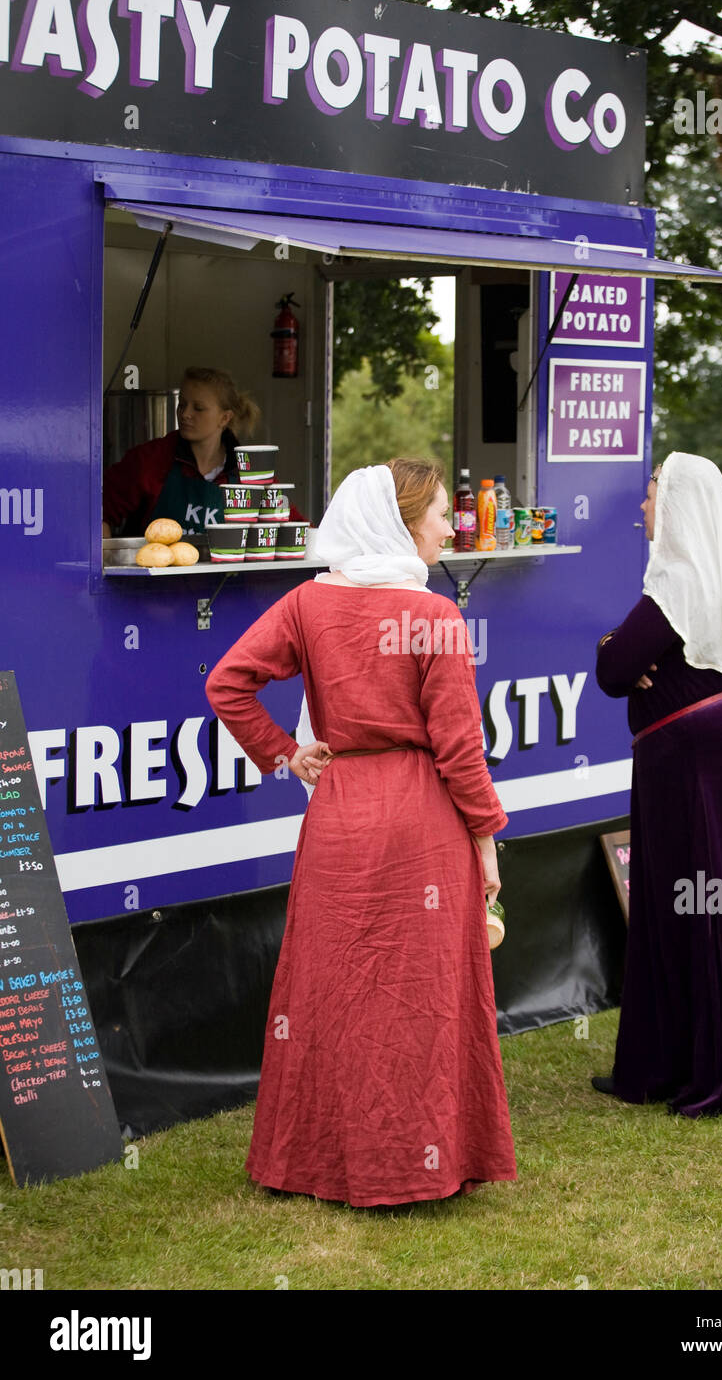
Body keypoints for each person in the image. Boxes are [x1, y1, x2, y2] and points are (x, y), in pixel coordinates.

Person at [205, 459, 517, 1206]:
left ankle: (317, 1162)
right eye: (442, 514)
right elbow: (458, 745)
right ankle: (421, 1163)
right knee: (421, 995)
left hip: (340, 813)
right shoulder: (434, 615)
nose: (452, 525)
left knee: (331, 991)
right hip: (421, 821)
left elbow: (228, 682)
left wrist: (285, 752)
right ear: (405, 523)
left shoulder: (308, 603)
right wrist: (485, 836)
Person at [593, 451, 722, 1117]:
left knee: (687, 899)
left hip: (689, 766)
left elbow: (616, 668)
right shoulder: (719, 583)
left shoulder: (674, 586)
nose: (645, 509)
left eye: (654, 497)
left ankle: (697, 1063)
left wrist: (611, 648)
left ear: (678, 508)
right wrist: (624, 651)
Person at [102, 366, 305, 537]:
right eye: (182, 404)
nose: (185, 414)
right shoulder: (150, 459)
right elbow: (96, 515)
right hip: (151, 583)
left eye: (198, 408)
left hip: (227, 584)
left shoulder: (250, 474)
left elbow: (294, 529)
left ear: (224, 418)